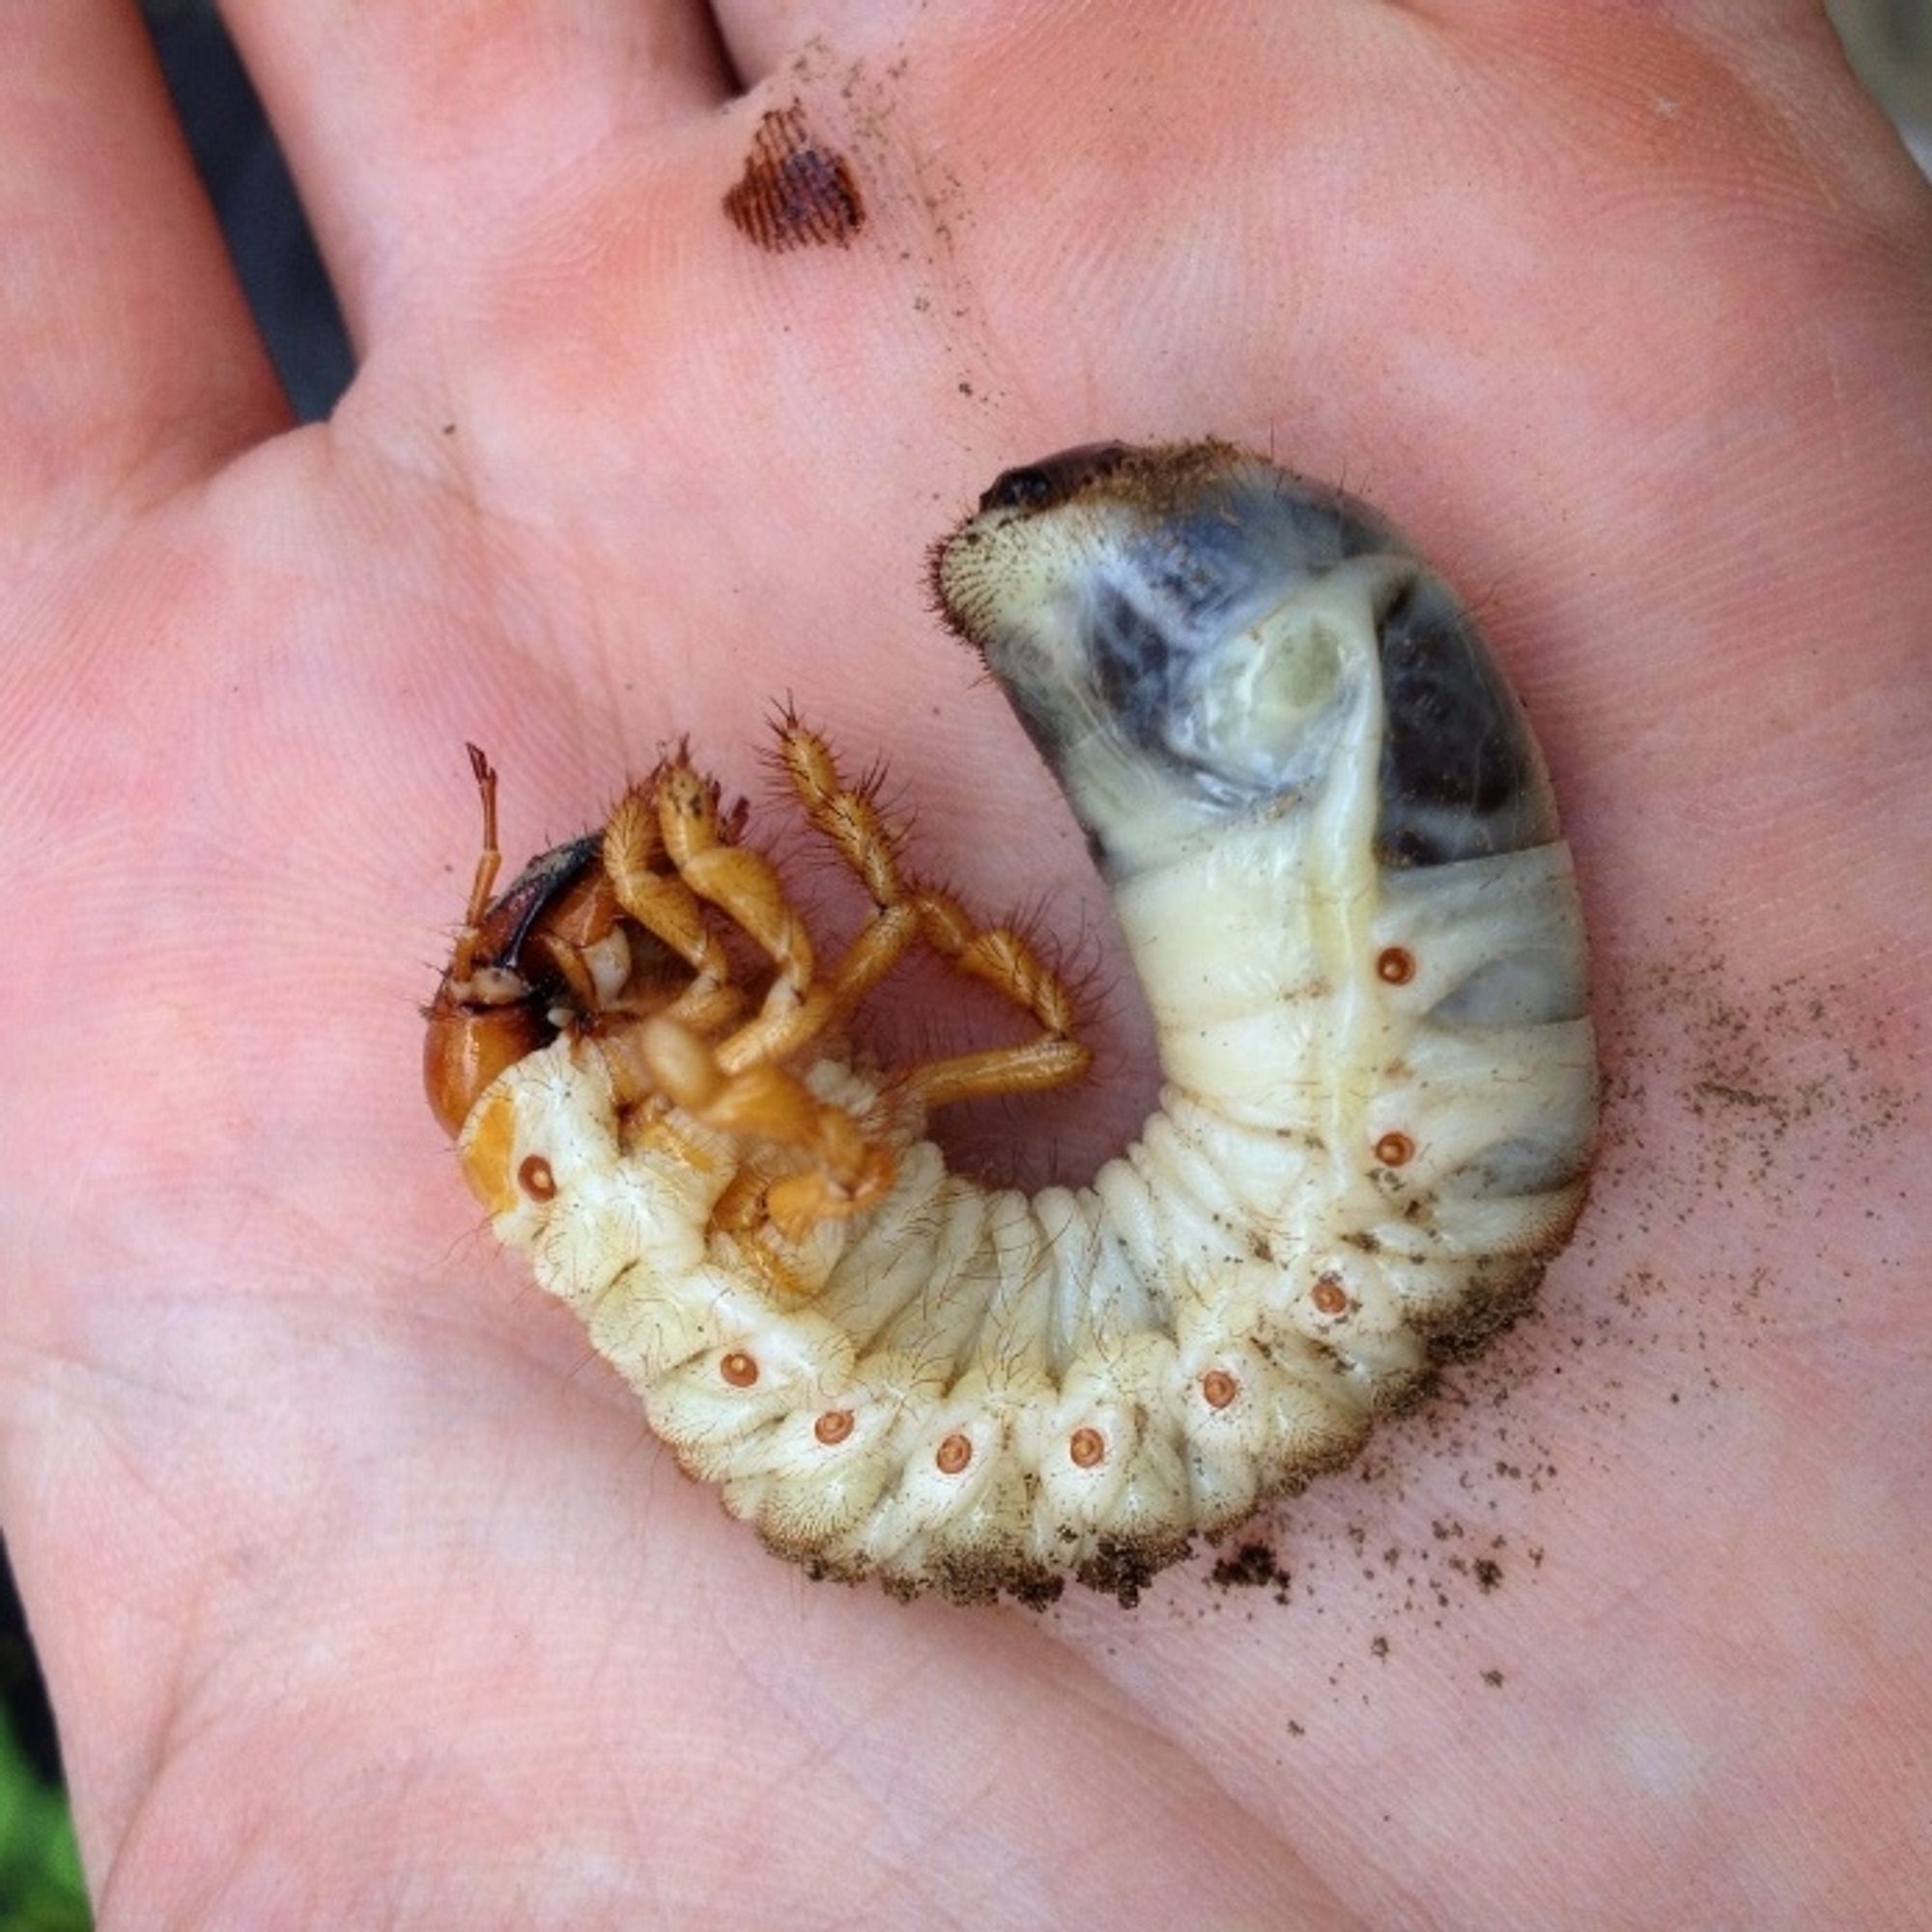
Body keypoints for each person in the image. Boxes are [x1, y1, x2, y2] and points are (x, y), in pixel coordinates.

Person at [2, 3, 1927, 1923]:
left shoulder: (770, 1227)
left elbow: (855, 1048)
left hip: (1274, 1239)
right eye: (573, 972)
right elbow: (849, 1051)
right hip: (1354, 1204)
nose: (589, 932)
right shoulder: (868, 1288)